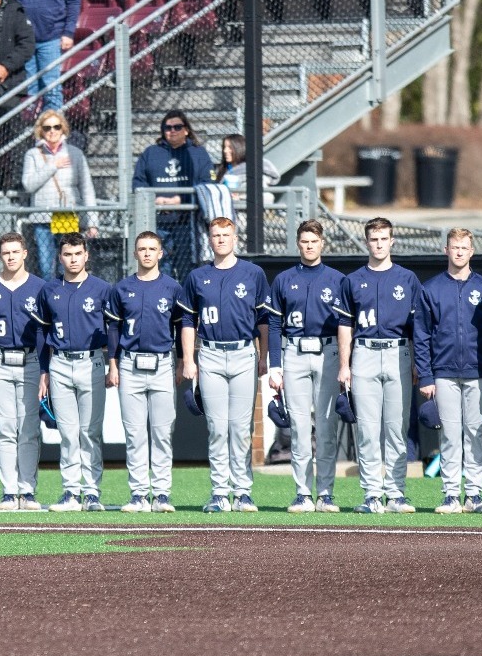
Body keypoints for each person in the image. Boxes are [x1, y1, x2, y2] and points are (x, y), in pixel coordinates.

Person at [180, 215, 276, 513]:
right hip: (209, 353)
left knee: (240, 426)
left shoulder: (253, 273)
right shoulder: (197, 276)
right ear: (209, 239)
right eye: (215, 235)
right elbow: (187, 319)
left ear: (235, 238)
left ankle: (243, 492)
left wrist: (264, 357)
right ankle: (220, 492)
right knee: (217, 426)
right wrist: (188, 358)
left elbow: (264, 319)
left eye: (225, 235)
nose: (220, 239)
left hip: (243, 353)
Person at [336, 218, 421, 514]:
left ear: (392, 241)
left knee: (396, 427)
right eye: (374, 239)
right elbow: (345, 325)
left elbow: (416, 327)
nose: (379, 244)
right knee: (369, 429)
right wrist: (344, 365)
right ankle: (372, 493)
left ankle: (396, 493)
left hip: (398, 352)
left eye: (384, 239)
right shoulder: (352, 280)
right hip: (365, 353)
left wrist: (416, 362)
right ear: (366, 241)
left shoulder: (407, 279)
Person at [266, 221, 349, 513]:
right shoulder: (284, 279)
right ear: (298, 244)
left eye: (314, 241)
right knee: (300, 428)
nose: (309, 246)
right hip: (295, 353)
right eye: (304, 241)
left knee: (326, 426)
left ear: (322, 243)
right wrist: (274, 365)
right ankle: (302, 493)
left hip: (327, 353)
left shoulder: (338, 279)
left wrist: (344, 363)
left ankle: (325, 493)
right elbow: (274, 324)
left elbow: (345, 325)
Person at [417, 227, 482, 515]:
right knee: (449, 434)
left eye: (464, 248)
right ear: (445, 250)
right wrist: (425, 375)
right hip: (443, 373)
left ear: (471, 251)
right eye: (454, 247)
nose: (459, 252)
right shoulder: (431, 288)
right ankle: (450, 494)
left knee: (474, 433)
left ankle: (474, 494)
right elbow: (422, 335)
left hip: (478, 371)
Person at [106, 230, 183, 513]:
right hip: (129, 364)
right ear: (135, 253)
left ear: (161, 253)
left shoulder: (173, 287)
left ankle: (162, 493)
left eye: (153, 249)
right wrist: (113, 364)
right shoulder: (122, 288)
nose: (147, 253)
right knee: (135, 432)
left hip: (162, 362)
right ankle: (138, 493)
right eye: (142, 249)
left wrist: (182, 361)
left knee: (162, 432)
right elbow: (112, 328)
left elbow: (180, 326)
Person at [37, 232, 114, 511]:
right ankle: (70, 492)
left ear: (86, 255)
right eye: (67, 254)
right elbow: (42, 332)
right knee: (68, 433)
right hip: (59, 363)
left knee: (90, 431)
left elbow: (113, 330)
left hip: (91, 361)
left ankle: (92, 492)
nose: (73, 259)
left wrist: (112, 364)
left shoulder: (102, 289)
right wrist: (44, 371)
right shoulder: (49, 289)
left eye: (77, 253)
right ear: (60, 257)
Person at [0, 230, 46, 509]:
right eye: (6, 252)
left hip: (30, 362)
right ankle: (8, 491)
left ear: (25, 253)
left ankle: (27, 491)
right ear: (0, 255)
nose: (11, 256)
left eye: (16, 251)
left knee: (28, 428)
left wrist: (44, 372)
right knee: (4, 428)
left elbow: (44, 333)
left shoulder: (40, 287)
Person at [9, 0, 79, 113]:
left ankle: (52, 132)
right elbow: (12, 2)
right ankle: (30, 134)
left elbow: (73, 0)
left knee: (51, 88)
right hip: (26, 40)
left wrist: (68, 32)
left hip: (52, 37)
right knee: (29, 90)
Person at [132, 113, 210, 277]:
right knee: (160, 268)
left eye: (177, 127)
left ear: (186, 130)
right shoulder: (151, 153)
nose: (172, 131)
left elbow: (207, 184)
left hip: (188, 221)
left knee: (188, 268)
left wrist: (179, 200)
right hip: (158, 222)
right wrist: (155, 200)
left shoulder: (198, 153)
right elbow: (138, 183)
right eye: (168, 128)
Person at [22, 111, 99, 278]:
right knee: (46, 266)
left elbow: (86, 188)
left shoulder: (75, 153)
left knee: (69, 265)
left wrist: (92, 222)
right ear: (40, 130)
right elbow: (28, 185)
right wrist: (53, 165)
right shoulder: (33, 154)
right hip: (43, 217)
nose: (52, 131)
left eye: (56, 126)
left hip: (67, 215)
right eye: (47, 127)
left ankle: (69, 299)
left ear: (63, 129)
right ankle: (50, 300)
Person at [218, 133, 279, 198]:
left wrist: (239, 199)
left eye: (230, 147)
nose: (225, 151)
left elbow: (264, 197)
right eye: (224, 147)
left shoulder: (252, 173)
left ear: (239, 148)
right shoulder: (223, 170)